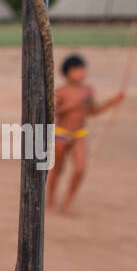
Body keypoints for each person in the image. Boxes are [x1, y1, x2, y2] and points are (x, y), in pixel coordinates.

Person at [47, 54, 126, 215]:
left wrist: (112, 102)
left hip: (79, 134)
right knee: (58, 170)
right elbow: (53, 112)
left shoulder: (88, 90)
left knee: (80, 169)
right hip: (61, 133)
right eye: (76, 70)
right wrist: (72, 104)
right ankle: (50, 201)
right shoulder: (60, 92)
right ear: (67, 73)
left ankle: (68, 202)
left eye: (82, 69)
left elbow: (93, 112)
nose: (80, 73)